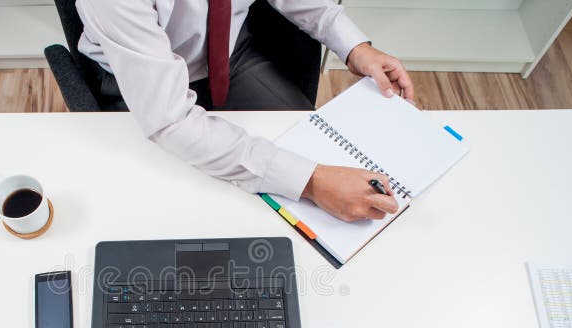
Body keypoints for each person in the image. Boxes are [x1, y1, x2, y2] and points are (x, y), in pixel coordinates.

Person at [76, 0, 415, 222]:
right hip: (138, 73)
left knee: (326, 167)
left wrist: (355, 47)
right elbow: (171, 121)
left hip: (230, 56)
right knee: (186, 210)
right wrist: (311, 182)